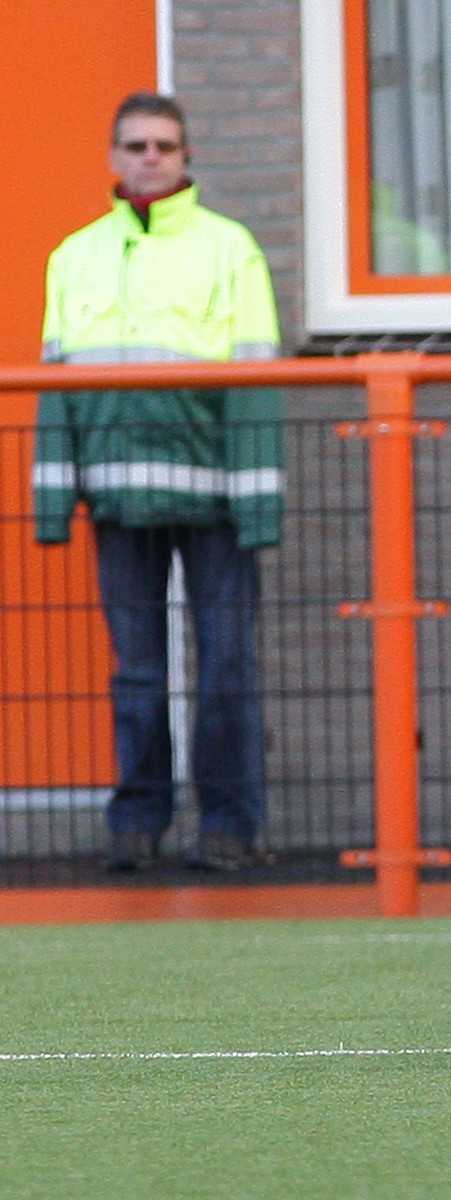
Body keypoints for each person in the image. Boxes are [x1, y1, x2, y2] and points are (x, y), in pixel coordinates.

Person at [32, 92, 283, 874]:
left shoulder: (230, 248)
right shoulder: (73, 255)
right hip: (117, 495)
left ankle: (229, 830)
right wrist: (52, 500)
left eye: (164, 145)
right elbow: (55, 386)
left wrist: (258, 501)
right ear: (113, 158)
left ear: (185, 156)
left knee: (226, 666)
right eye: (136, 145)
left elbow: (255, 383)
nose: (150, 157)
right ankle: (135, 827)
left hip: (213, 493)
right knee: (136, 671)